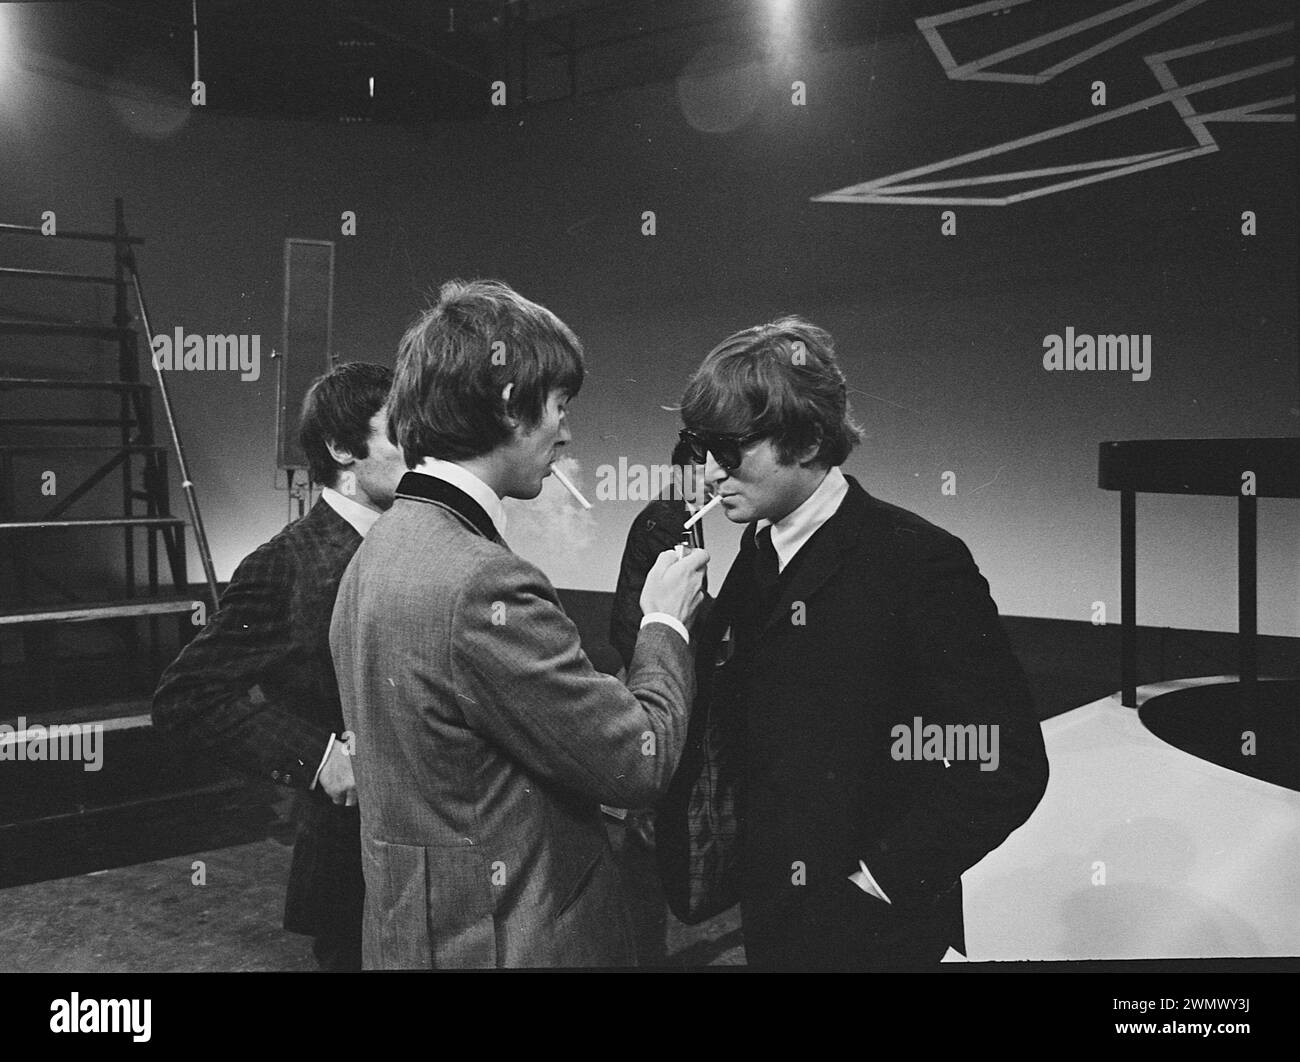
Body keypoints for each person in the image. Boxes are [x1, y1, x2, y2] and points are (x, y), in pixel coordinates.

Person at [330, 279, 708, 969]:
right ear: (510, 404)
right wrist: (664, 624)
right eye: (560, 405)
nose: (566, 432)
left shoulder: (375, 552)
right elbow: (636, 759)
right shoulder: (481, 582)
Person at [657, 317, 1050, 971]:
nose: (706, 474)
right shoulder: (758, 548)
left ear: (807, 440)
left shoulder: (917, 562)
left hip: (871, 934)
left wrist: (876, 881)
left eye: (726, 451)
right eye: (699, 448)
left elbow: (1007, 763)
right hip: (775, 914)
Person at [152, 362, 409, 971]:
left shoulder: (422, 540)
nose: (422, 453)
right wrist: (321, 758)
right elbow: (187, 697)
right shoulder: (285, 565)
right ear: (342, 448)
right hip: (355, 867)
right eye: (401, 432)